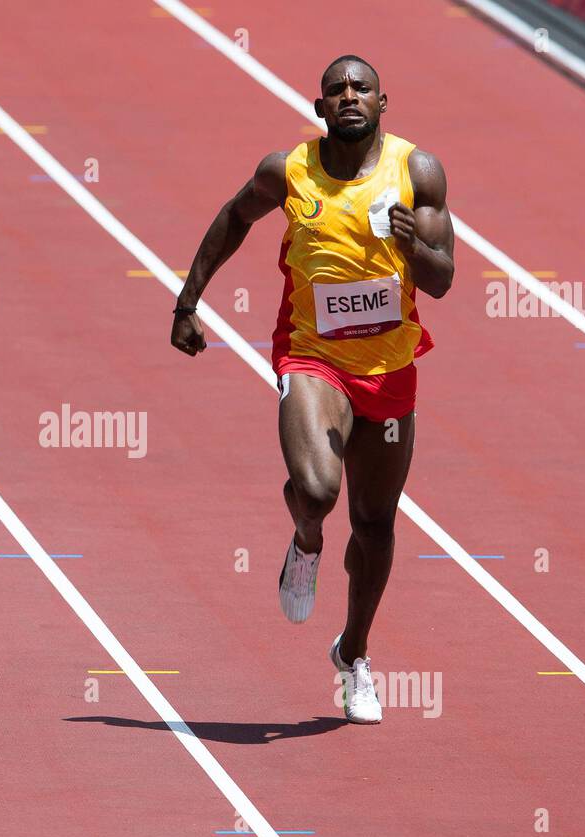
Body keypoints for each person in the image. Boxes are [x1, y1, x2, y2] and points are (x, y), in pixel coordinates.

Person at [172, 55, 454, 723]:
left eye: (362, 88)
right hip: (312, 356)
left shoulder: (418, 173)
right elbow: (235, 215)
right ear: (320, 107)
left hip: (389, 369)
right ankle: (305, 538)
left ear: (384, 103)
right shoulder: (289, 171)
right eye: (337, 90)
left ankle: (355, 653)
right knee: (322, 492)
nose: (350, 97)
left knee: (375, 523)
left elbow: (441, 280)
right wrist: (188, 302)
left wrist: (413, 245)